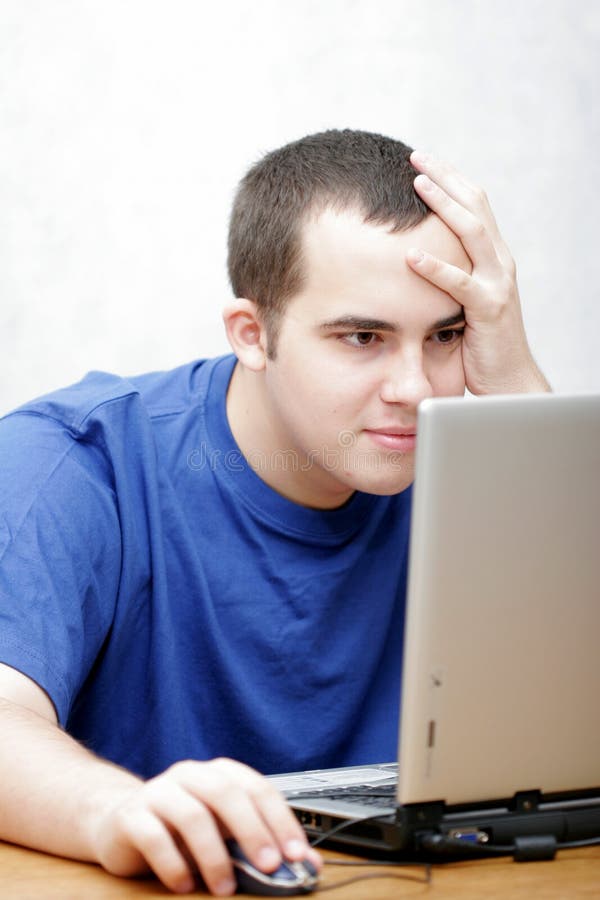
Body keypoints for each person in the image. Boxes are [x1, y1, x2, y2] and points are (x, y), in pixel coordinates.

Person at [0, 129, 549, 896]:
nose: (415, 388)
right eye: (363, 337)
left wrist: (517, 389)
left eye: (446, 335)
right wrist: (114, 810)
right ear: (253, 336)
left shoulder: (479, 466)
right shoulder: (74, 460)